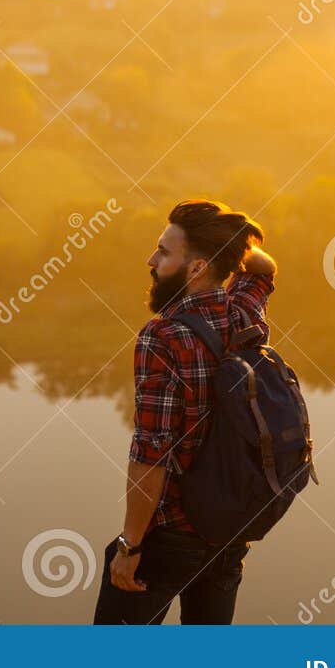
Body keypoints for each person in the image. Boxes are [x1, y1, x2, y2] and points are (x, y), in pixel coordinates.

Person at [92, 199, 277, 625]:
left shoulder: (162, 337)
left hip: (169, 534)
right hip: (228, 531)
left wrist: (130, 547)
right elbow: (263, 269)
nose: (151, 260)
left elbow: (150, 454)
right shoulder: (244, 313)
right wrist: (231, 247)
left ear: (194, 269)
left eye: (163, 251)